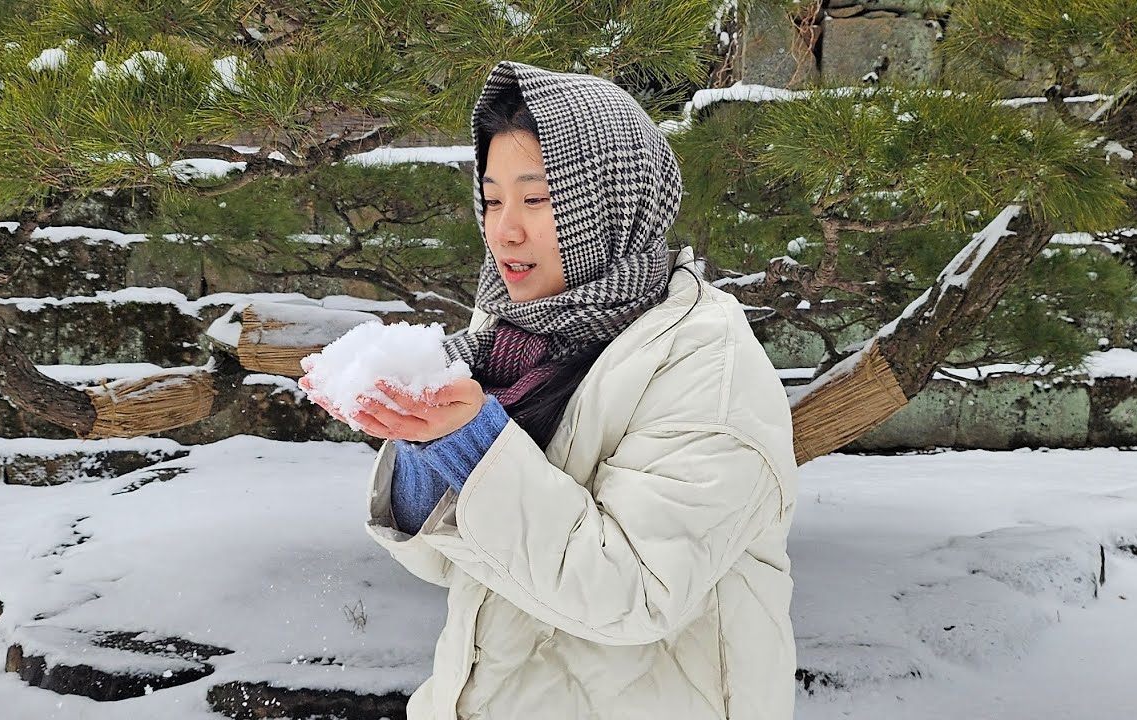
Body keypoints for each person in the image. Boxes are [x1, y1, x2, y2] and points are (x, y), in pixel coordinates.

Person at [303, 61, 798, 720]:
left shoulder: (707, 365)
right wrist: (423, 439)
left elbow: (636, 592)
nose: (504, 229)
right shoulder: (514, 333)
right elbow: (456, 564)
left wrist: (474, 446)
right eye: (492, 199)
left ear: (613, 201)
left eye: (536, 200)